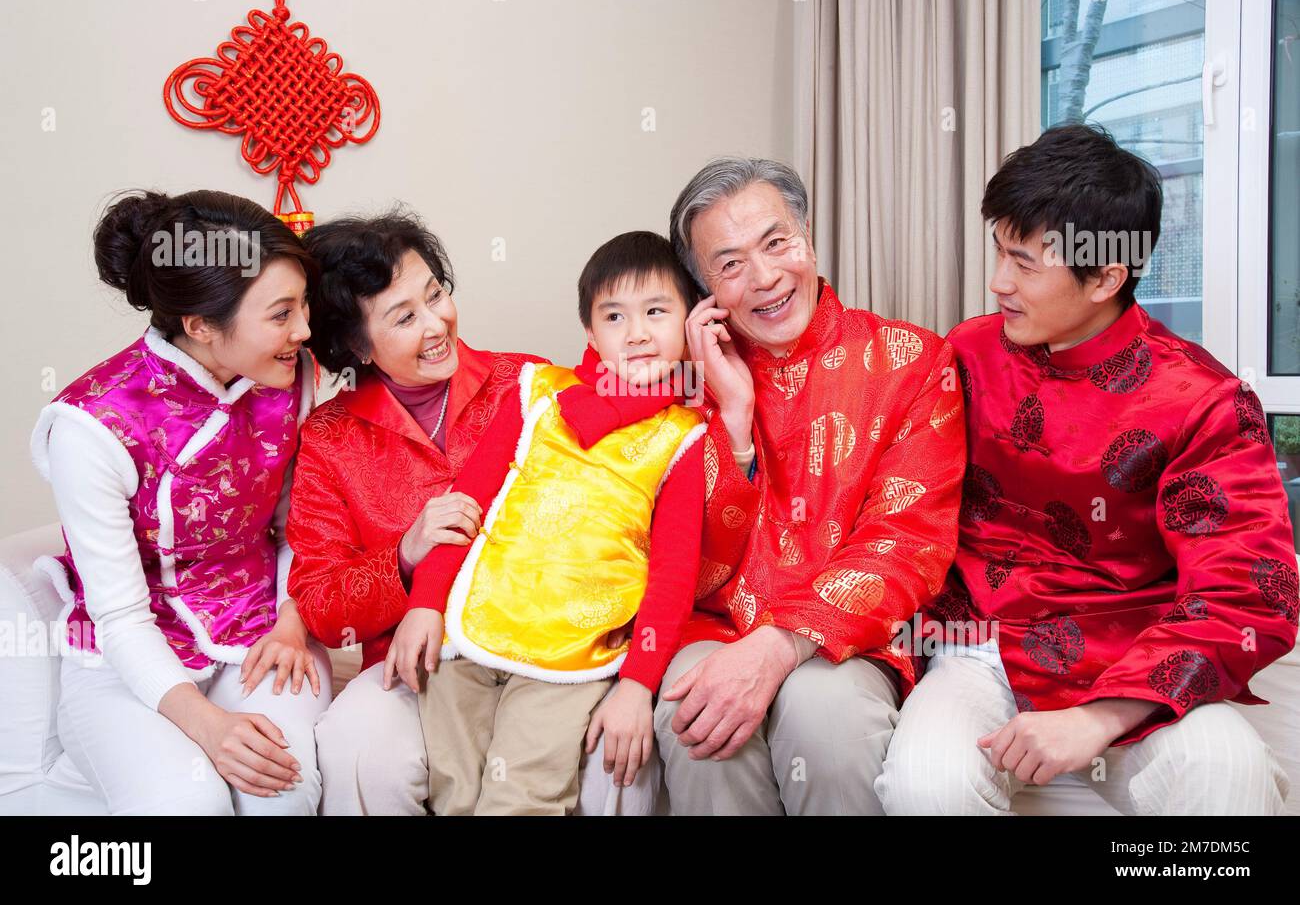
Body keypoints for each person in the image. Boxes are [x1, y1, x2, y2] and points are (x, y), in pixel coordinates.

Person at [876, 123, 1298, 815]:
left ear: (1106, 276)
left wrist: (1099, 718)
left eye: (1024, 263)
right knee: (927, 783)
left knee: (1226, 772)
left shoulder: (1203, 402)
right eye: (997, 252)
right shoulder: (966, 356)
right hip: (979, 644)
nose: (998, 282)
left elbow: (1252, 592)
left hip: (1138, 657)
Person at [290, 211, 656, 814]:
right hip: (420, 668)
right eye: (405, 317)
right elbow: (323, 606)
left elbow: (616, 490)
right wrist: (404, 557)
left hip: (548, 651)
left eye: (436, 295)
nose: (437, 325)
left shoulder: (529, 383)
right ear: (356, 343)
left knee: (611, 764)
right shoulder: (329, 440)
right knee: (358, 747)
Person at [654, 158, 967, 814]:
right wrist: (733, 420)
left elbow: (908, 544)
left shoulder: (911, 360)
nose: (765, 278)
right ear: (703, 289)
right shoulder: (681, 389)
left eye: (777, 243)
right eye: (731, 264)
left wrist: (777, 645)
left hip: (856, 637)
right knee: (696, 716)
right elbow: (688, 566)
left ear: (809, 239)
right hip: (714, 628)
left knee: (827, 716)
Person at [384, 230, 705, 814]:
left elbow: (674, 574)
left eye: (656, 312)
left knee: (522, 798)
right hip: (471, 633)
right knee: (452, 792)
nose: (636, 333)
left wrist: (638, 682)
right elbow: (468, 501)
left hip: (570, 658)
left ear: (688, 321)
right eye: (615, 316)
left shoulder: (684, 439)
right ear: (590, 331)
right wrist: (425, 603)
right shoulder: (537, 396)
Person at [31, 189, 329, 815]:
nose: (304, 330)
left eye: (302, 304)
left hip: (262, 628)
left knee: (285, 787)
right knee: (185, 804)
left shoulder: (292, 376)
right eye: (280, 314)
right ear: (199, 326)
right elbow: (119, 618)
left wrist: (290, 622)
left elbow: (295, 528)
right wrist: (210, 728)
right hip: (124, 656)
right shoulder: (91, 427)